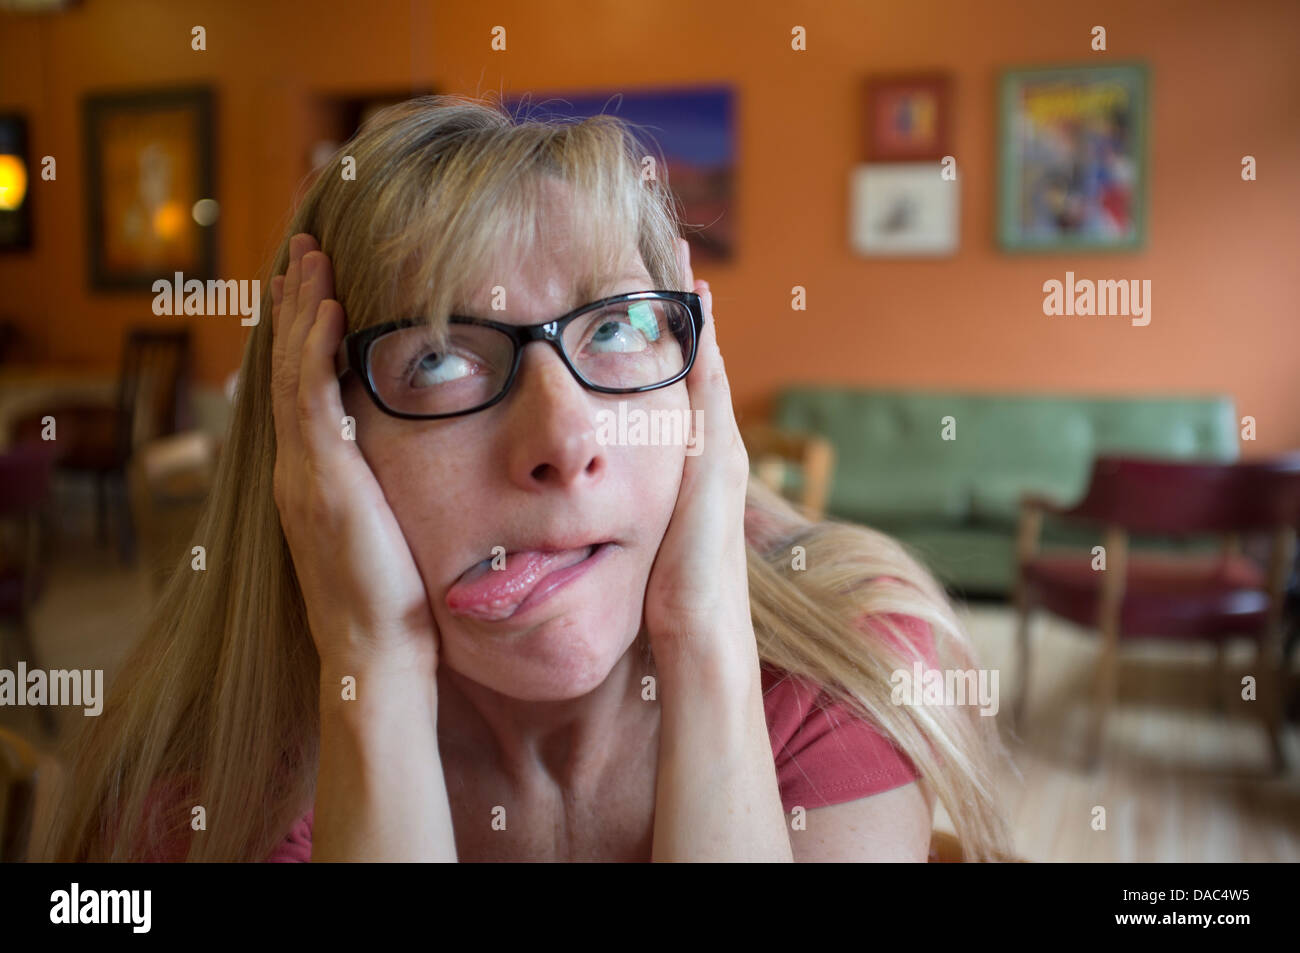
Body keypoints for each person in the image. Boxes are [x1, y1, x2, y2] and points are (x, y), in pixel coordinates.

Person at [37, 95, 1013, 862]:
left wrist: (707, 632)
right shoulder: (205, 793)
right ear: (315, 430)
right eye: (434, 357)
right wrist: (373, 665)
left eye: (619, 326)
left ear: (695, 378)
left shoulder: (850, 673)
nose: (565, 435)